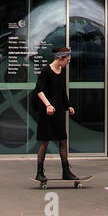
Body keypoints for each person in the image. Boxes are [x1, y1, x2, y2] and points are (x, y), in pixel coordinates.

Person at [33, 47, 79, 183]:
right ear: (60, 58)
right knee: (45, 141)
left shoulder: (61, 71)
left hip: (58, 111)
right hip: (46, 112)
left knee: (62, 140)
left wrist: (68, 106)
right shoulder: (46, 71)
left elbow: (62, 92)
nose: (68, 63)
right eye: (67, 61)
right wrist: (48, 105)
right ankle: (39, 172)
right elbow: (39, 90)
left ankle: (66, 171)